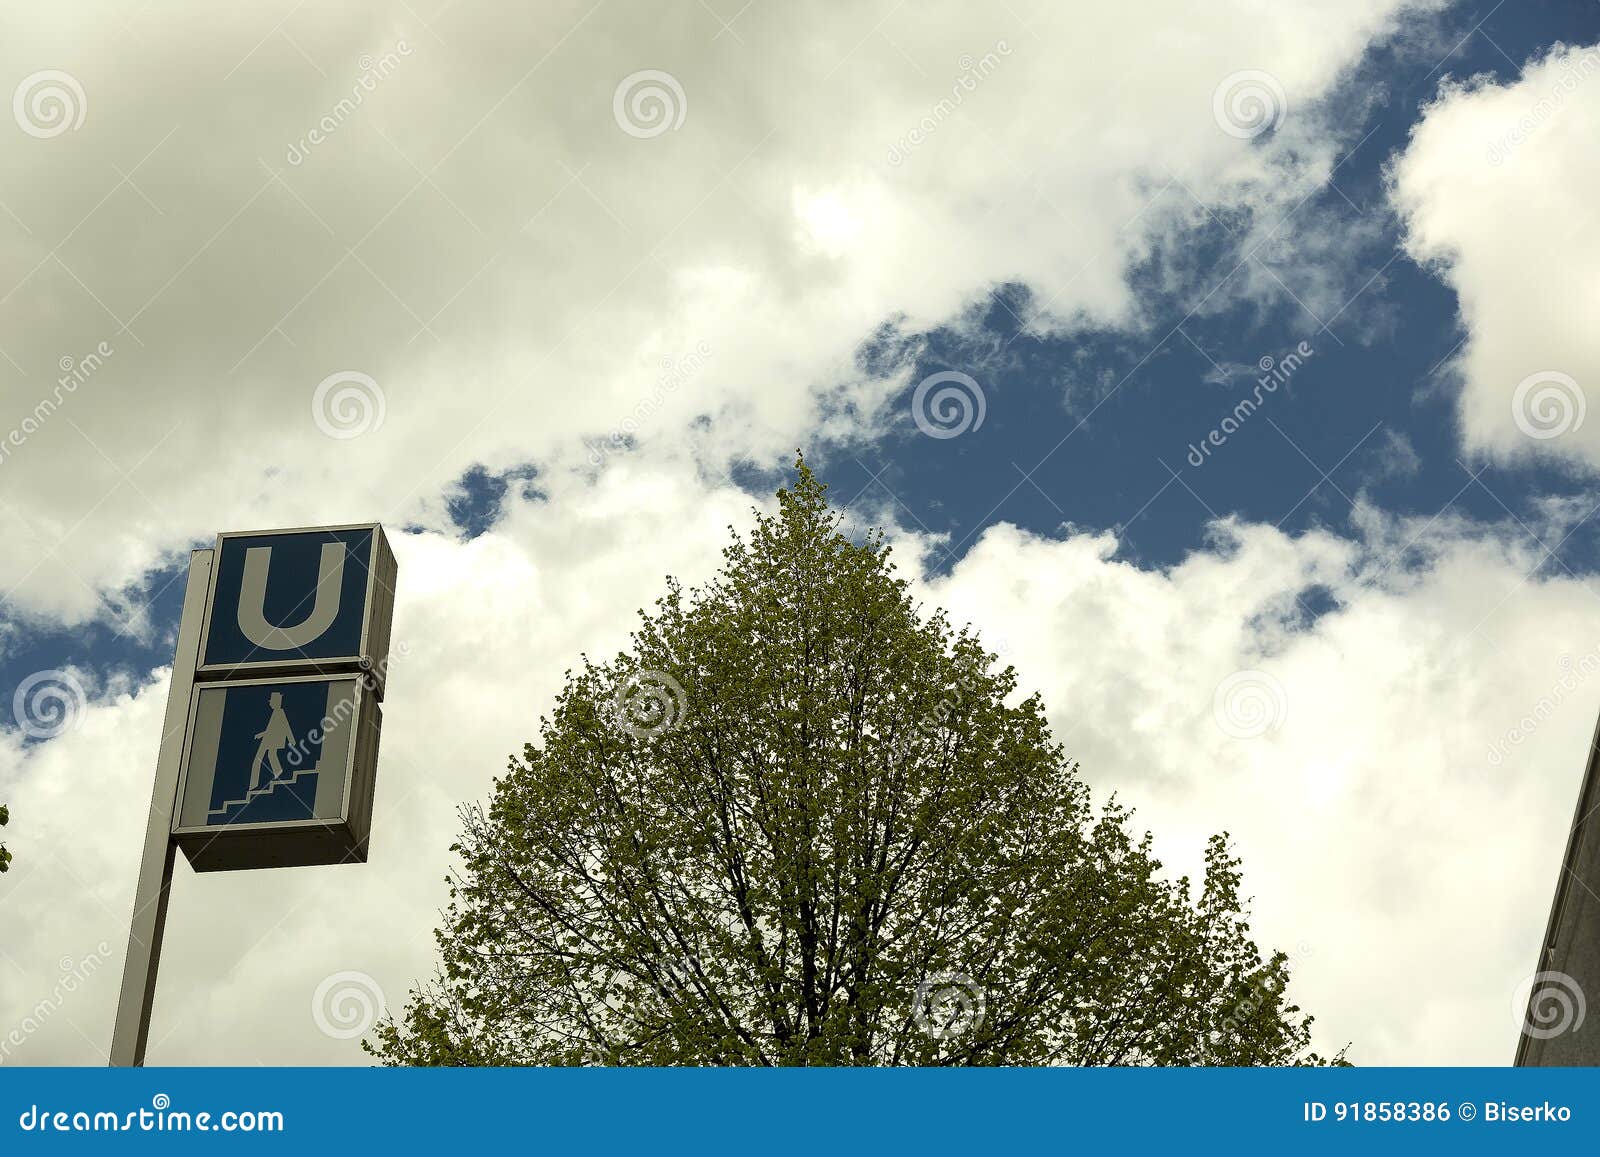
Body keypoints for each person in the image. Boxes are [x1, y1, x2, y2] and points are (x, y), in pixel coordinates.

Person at [249, 691, 297, 792]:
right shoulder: (276, 712)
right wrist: (261, 734)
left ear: (276, 702)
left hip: (272, 739)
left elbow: (286, 726)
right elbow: (271, 729)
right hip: (270, 739)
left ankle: (256, 783)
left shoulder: (279, 712)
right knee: (270, 755)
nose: (270, 704)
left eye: (271, 702)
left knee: (261, 758)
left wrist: (291, 739)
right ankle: (277, 772)